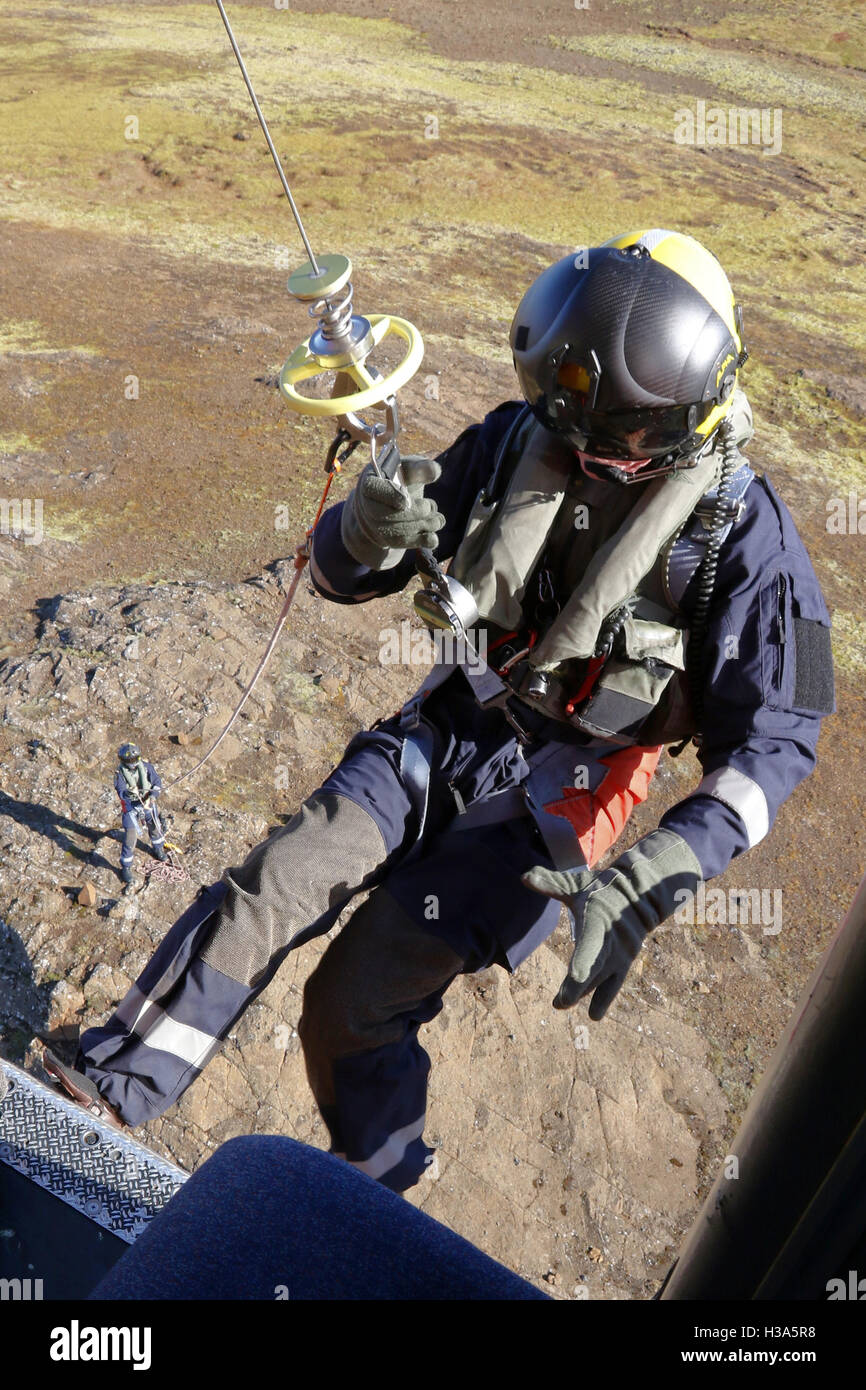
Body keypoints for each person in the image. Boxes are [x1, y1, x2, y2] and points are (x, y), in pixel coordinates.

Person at [50, 230, 834, 1193]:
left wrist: (663, 869)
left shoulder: (750, 546)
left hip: (566, 805)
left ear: (688, 411)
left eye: (627, 438)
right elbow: (342, 576)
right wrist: (365, 527)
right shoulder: (516, 440)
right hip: (450, 721)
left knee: (353, 1004)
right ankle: (100, 1101)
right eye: (580, 425)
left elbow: (782, 738)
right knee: (269, 890)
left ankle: (383, 1202)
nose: (594, 455)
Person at [114, 743, 167, 885]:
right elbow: (121, 791)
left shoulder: (147, 767)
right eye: (129, 761)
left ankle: (158, 848)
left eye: (134, 759)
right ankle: (126, 867)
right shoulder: (120, 774)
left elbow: (156, 781)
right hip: (131, 810)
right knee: (130, 838)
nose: (132, 763)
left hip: (148, 805)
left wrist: (153, 796)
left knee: (155, 827)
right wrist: (130, 793)